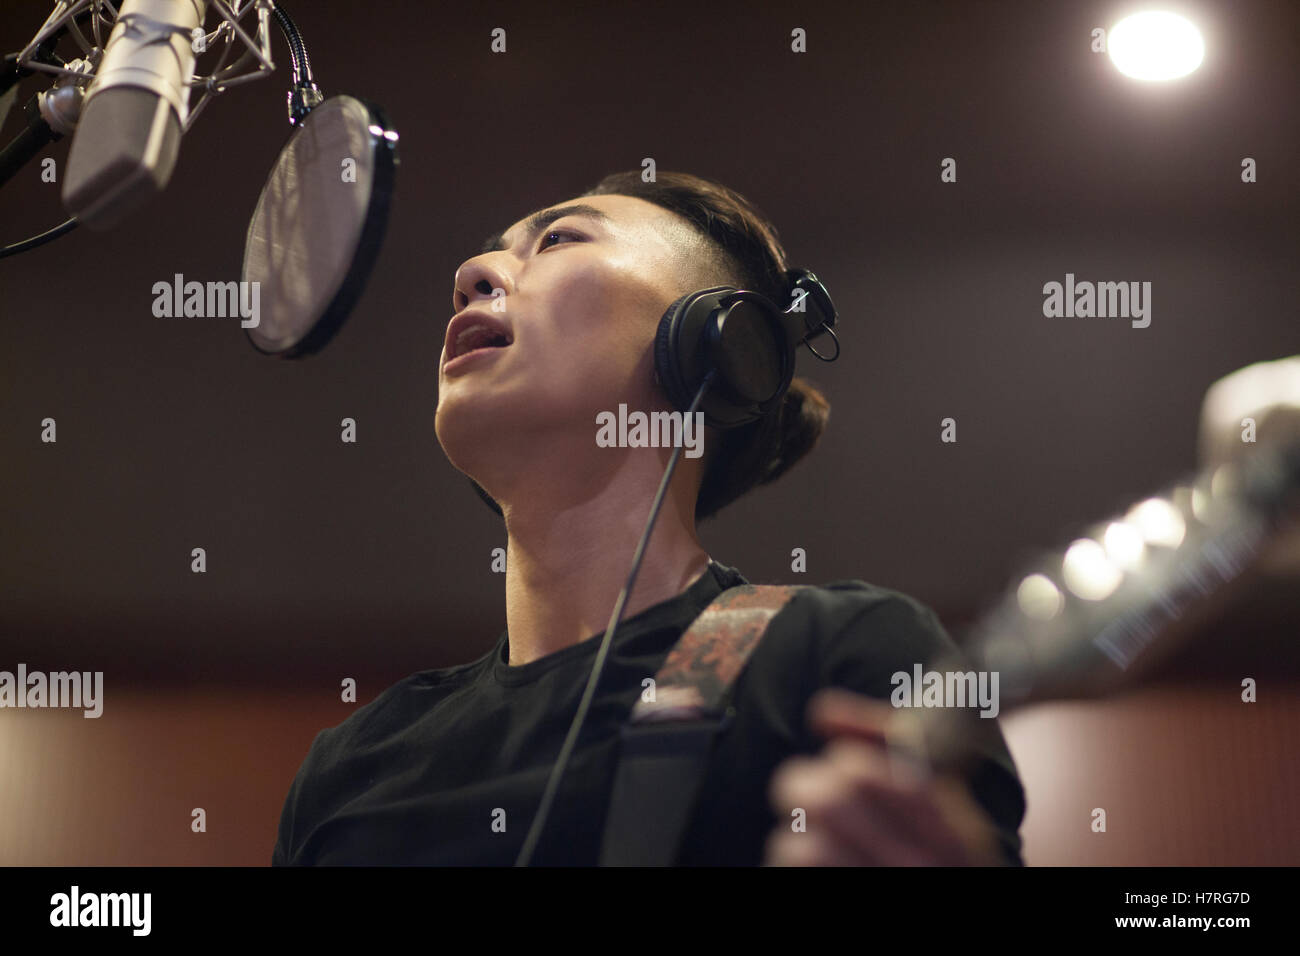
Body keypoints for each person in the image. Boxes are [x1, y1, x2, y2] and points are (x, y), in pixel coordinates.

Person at [271, 171, 1027, 866]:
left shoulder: (836, 658)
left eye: (561, 239)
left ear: (713, 345)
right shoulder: (353, 766)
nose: (472, 273)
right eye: (488, 258)